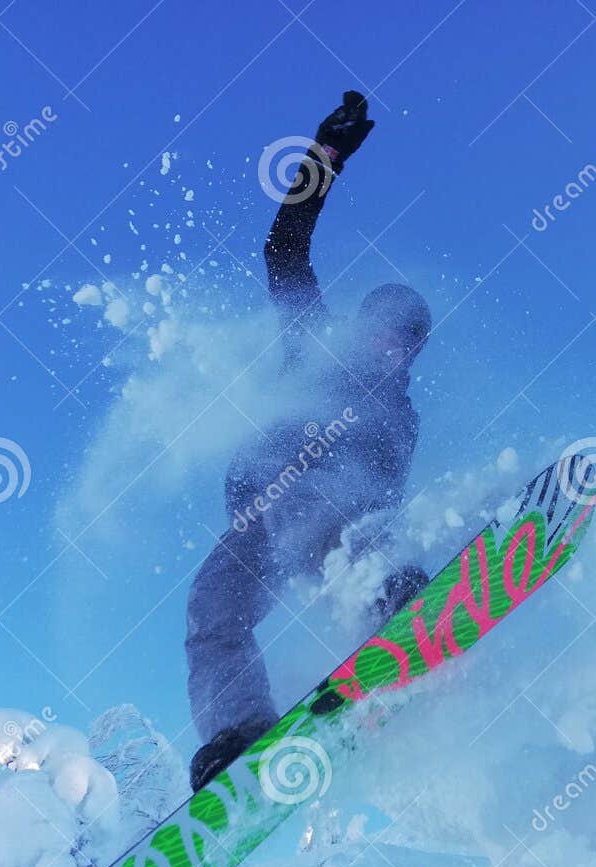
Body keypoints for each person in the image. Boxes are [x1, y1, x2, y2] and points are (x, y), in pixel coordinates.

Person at [185, 91, 432, 791]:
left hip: (335, 524)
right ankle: (239, 733)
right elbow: (283, 249)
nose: (392, 347)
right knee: (209, 612)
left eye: (407, 342)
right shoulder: (315, 348)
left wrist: (393, 573)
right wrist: (325, 156)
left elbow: (384, 499)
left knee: (351, 520)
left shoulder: (400, 419)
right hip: (260, 513)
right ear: (363, 324)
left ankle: (393, 613)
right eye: (385, 328)